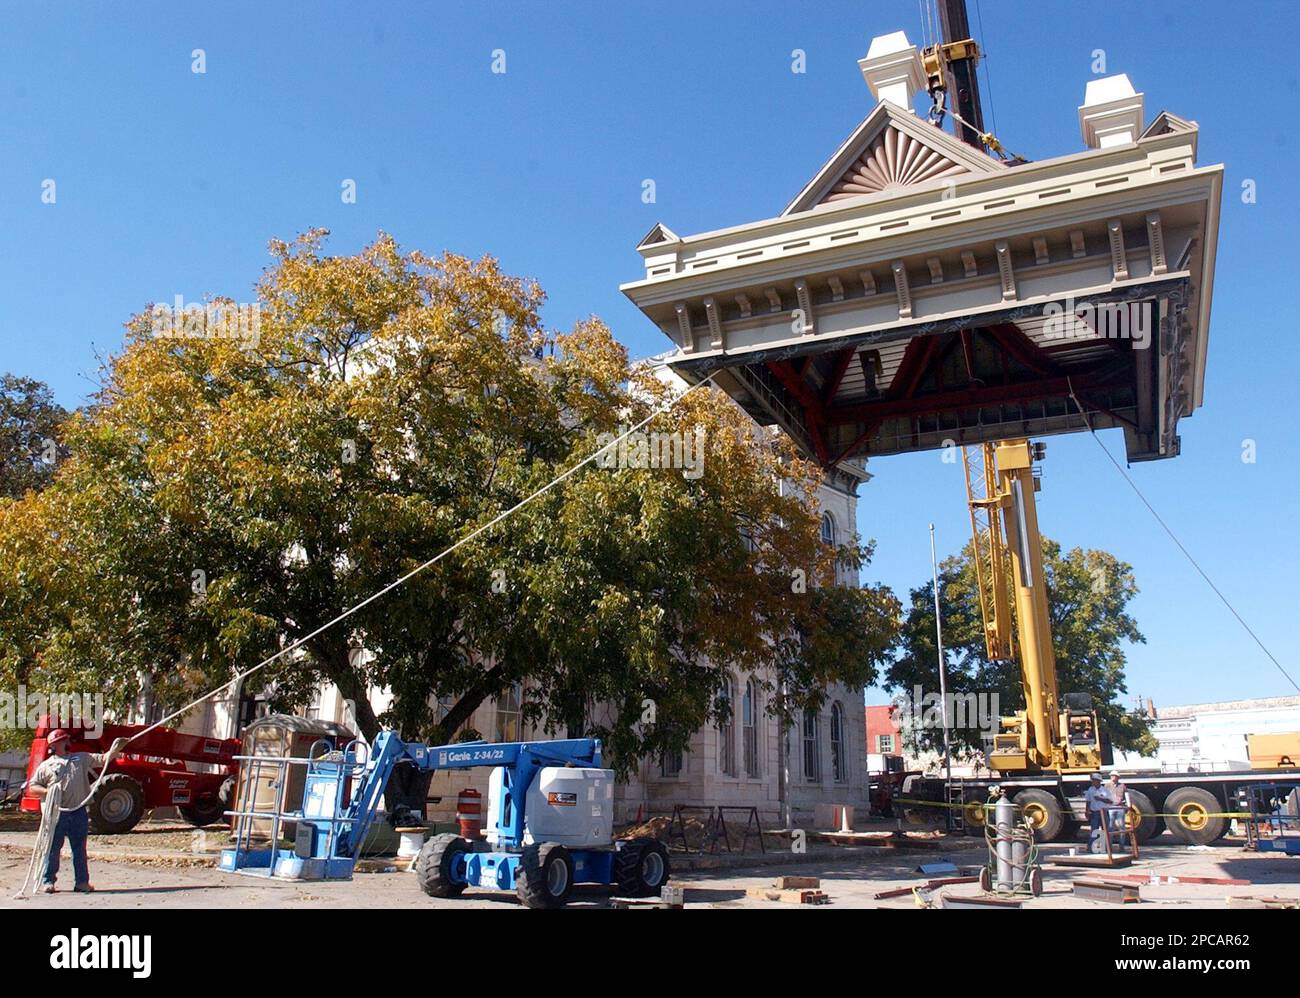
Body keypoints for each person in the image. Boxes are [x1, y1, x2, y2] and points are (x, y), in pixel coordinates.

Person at [27, 729, 130, 893]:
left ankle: (82, 882)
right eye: (60, 741)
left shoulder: (81, 758)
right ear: (53, 745)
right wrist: (48, 792)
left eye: (65, 740)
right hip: (57, 812)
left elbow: (103, 759)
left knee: (79, 849)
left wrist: (115, 749)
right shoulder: (46, 766)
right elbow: (33, 786)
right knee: (53, 848)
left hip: (78, 811)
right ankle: (48, 882)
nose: (65, 743)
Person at [1083, 772, 1111, 853]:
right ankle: (1091, 847)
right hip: (1094, 812)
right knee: (1094, 830)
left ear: (1099, 781)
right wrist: (1087, 811)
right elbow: (1088, 801)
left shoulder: (1105, 790)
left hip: (1103, 812)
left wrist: (1100, 799)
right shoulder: (1090, 790)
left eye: (1094, 780)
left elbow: (1110, 801)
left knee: (1104, 830)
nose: (1093, 782)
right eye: (1092, 780)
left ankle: (1104, 847)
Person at [1107, 770, 1133, 845]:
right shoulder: (1107, 786)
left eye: (1114, 776)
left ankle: (1122, 845)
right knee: (1110, 827)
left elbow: (1127, 796)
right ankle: (1110, 846)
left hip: (1120, 807)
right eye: (1112, 776)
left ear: (1118, 777)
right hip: (1110, 808)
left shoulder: (1122, 786)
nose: (1113, 777)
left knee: (1122, 827)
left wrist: (1128, 805)